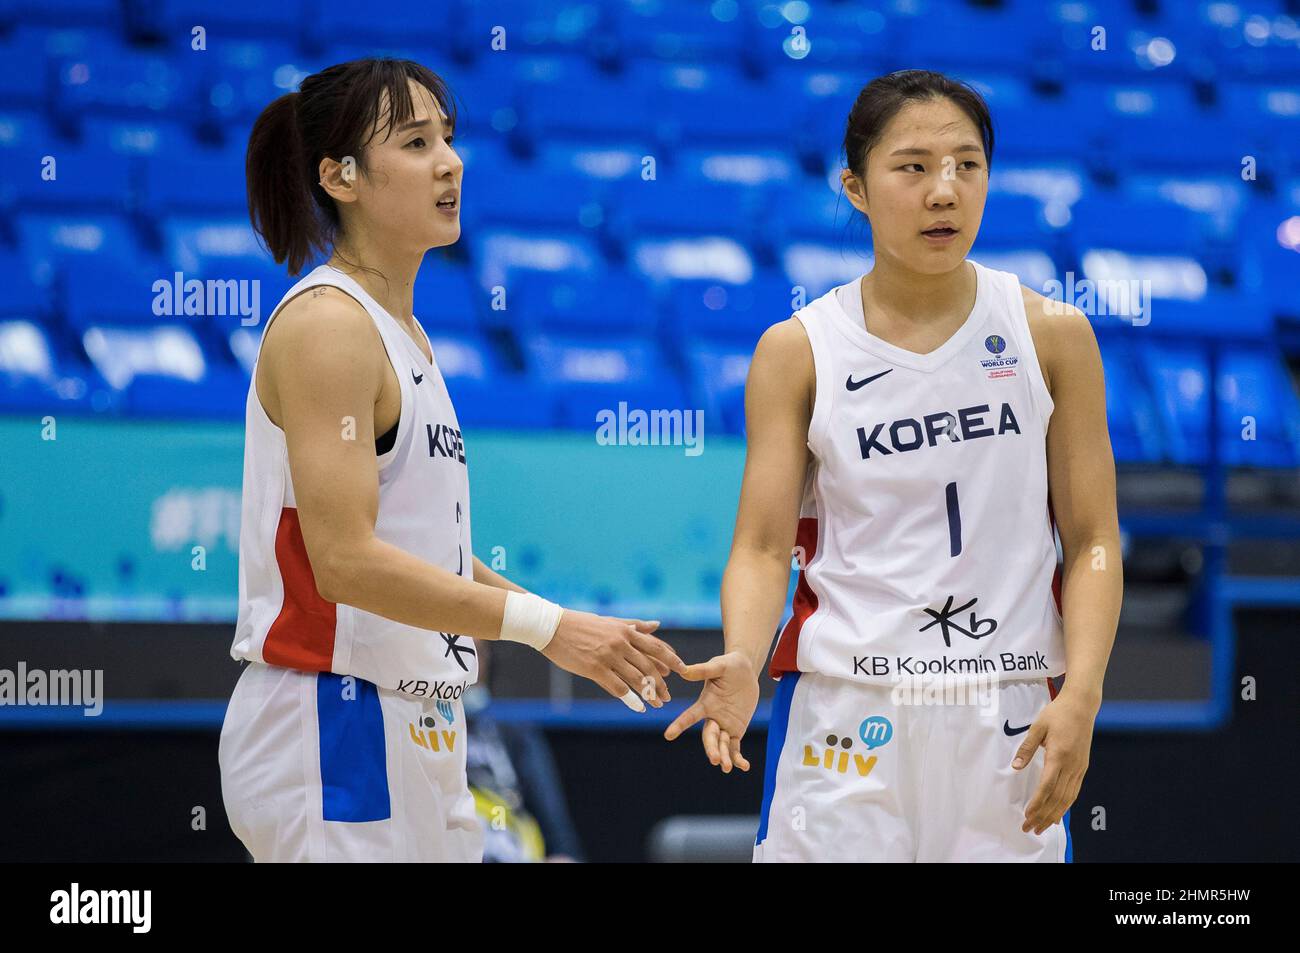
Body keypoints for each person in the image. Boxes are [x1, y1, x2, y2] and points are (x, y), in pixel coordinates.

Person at [219, 58, 683, 863]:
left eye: (448, 137)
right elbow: (344, 561)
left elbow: (424, 556)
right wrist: (549, 629)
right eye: (413, 141)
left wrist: (572, 628)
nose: (449, 160)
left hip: (425, 716)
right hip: (337, 716)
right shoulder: (329, 325)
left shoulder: (409, 335)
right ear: (341, 176)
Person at [666, 69, 1122, 862]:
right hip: (847, 711)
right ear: (855, 187)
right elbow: (763, 545)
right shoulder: (797, 349)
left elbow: (1092, 539)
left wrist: (1081, 693)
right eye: (912, 167)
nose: (944, 191)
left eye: (967, 165)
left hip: (1007, 711)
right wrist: (741, 651)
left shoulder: (1054, 336)